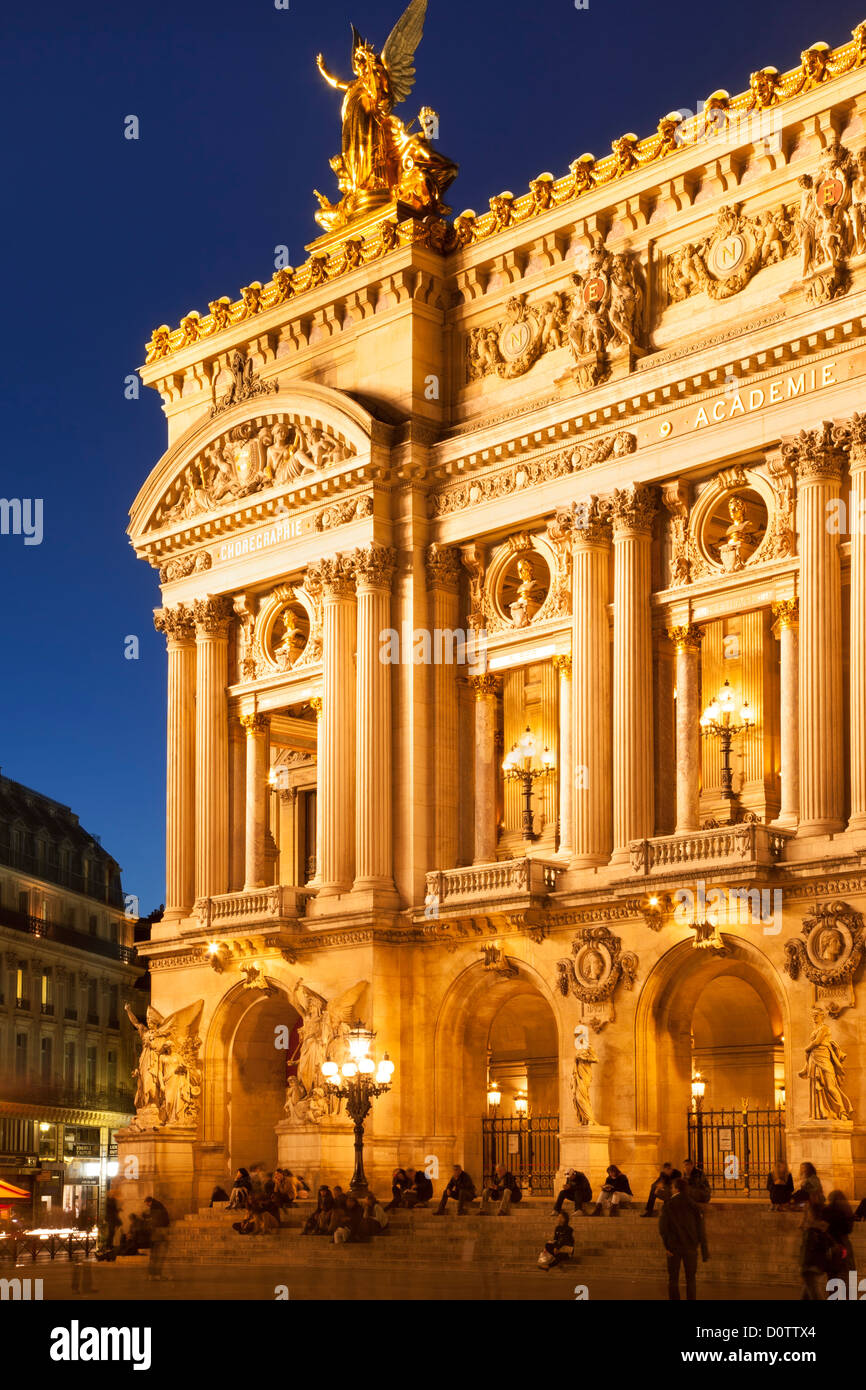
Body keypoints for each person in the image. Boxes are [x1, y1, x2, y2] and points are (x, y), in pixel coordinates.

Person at [659, 1177, 705, 1301]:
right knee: (691, 1279)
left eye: (672, 1187)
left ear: (676, 1189)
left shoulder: (669, 1205)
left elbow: (663, 1228)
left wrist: (667, 1246)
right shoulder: (693, 1205)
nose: (671, 1189)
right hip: (690, 1247)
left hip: (673, 1247)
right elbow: (700, 1227)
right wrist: (702, 1247)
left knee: (673, 1278)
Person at [800, 1201, 831, 1300]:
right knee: (807, 1294)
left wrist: (805, 1266)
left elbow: (809, 1249)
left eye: (807, 1211)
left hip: (811, 1266)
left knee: (814, 1292)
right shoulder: (820, 1228)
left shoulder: (813, 1230)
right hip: (815, 1265)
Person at [825, 1191, 856, 1277]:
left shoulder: (829, 1211)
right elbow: (849, 1229)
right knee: (846, 1270)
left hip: (834, 1244)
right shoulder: (847, 1211)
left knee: (833, 1273)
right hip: (845, 1243)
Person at [144, 1196, 170, 1281]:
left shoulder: (155, 1207)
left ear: (149, 1202)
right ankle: (155, 1274)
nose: (147, 1206)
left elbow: (156, 1220)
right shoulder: (158, 1206)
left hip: (158, 1232)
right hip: (159, 1232)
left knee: (155, 1256)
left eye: (147, 1204)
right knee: (157, 1256)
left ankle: (153, 1275)